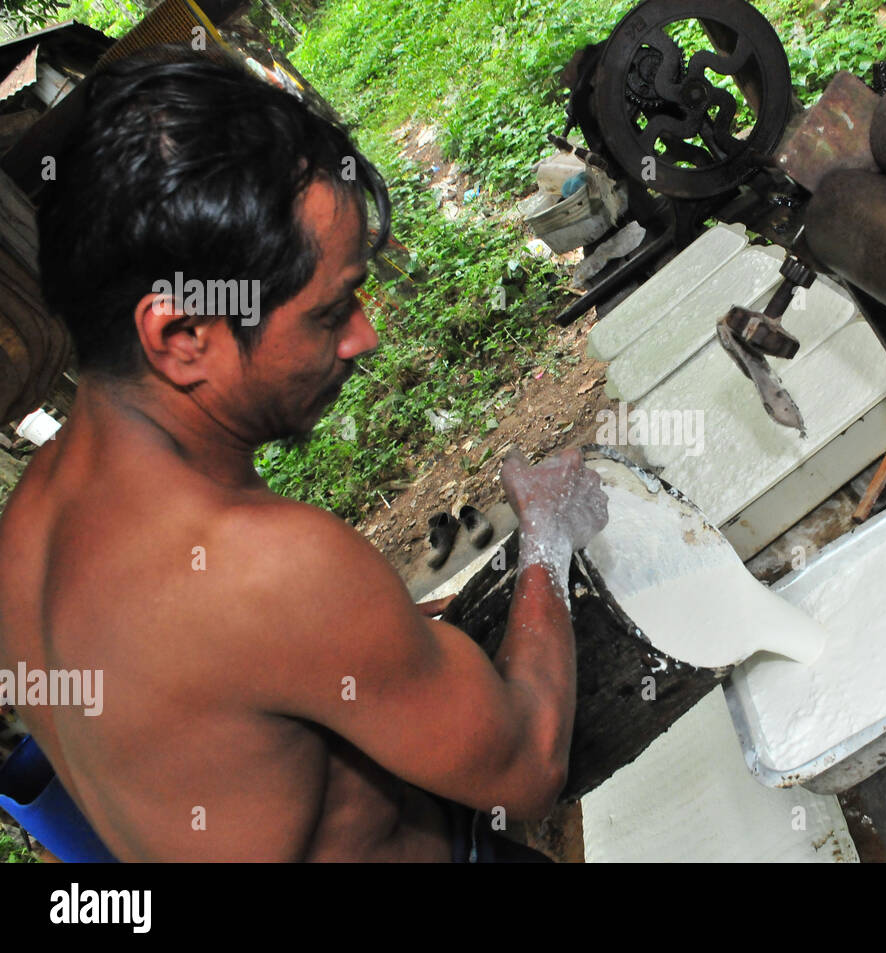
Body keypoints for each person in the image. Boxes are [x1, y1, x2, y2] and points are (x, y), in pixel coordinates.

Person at [0, 51, 608, 861]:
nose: (365, 335)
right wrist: (547, 533)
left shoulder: (27, 527)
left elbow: (218, 708)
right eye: (330, 313)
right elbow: (529, 764)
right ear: (183, 336)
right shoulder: (268, 569)